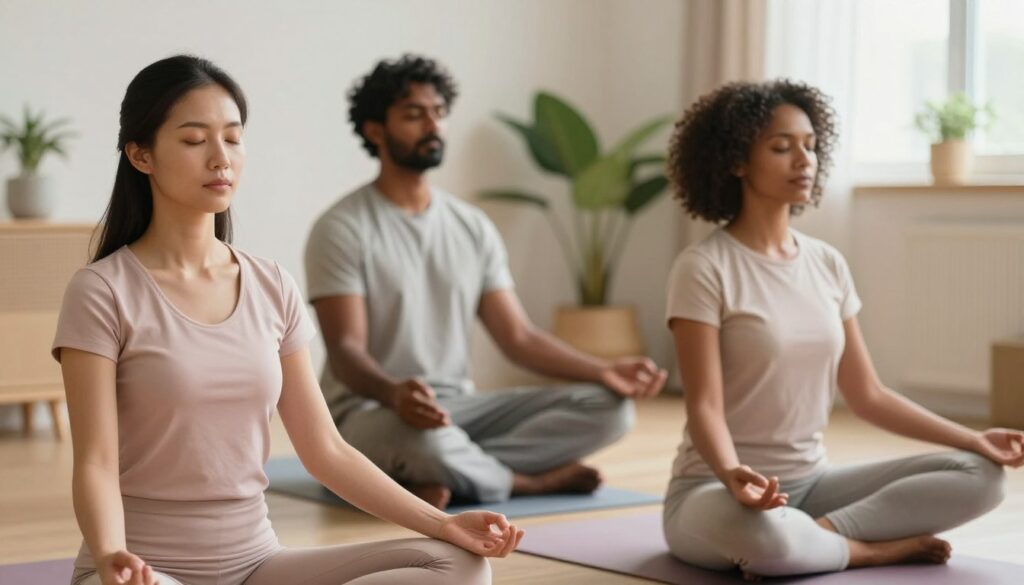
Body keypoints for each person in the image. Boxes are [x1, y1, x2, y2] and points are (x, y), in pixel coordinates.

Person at [53, 55, 520, 585]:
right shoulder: (102, 291)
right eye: (193, 140)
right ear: (141, 155)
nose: (219, 158)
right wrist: (112, 552)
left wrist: (445, 523)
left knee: (457, 564)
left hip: (257, 565)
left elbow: (326, 450)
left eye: (232, 138)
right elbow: (93, 462)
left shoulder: (272, 284)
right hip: (142, 573)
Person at [661, 79, 1022, 579]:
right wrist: (731, 474)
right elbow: (703, 404)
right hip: (713, 494)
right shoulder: (703, 267)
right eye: (782, 147)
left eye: (810, 146)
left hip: (811, 487)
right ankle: (865, 549)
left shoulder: (827, 263)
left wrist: (974, 438)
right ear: (737, 160)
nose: (803, 160)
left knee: (983, 477)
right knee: (764, 535)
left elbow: (867, 395)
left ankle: (820, 537)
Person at [304, 54, 667, 509]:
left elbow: (518, 337)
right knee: (427, 443)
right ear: (375, 131)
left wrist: (604, 370)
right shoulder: (342, 228)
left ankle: (443, 476)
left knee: (611, 410)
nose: (432, 125)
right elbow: (346, 352)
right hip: (370, 411)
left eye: (439, 113)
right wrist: (393, 392)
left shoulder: (471, 226)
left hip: (456, 408)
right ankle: (521, 482)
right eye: (414, 115)